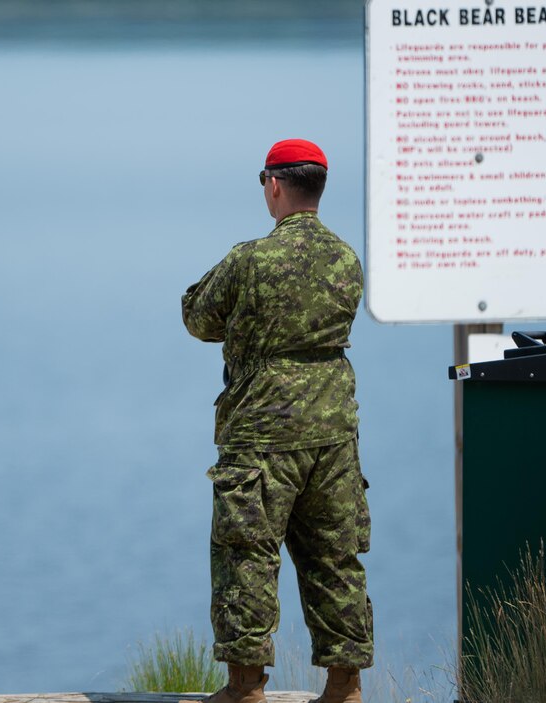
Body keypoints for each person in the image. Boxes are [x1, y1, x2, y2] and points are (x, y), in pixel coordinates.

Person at [179, 139, 373, 703]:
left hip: (262, 431)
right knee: (334, 556)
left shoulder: (250, 259)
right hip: (334, 432)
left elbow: (197, 316)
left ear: (275, 186)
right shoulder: (347, 260)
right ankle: (345, 686)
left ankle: (245, 688)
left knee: (247, 554)